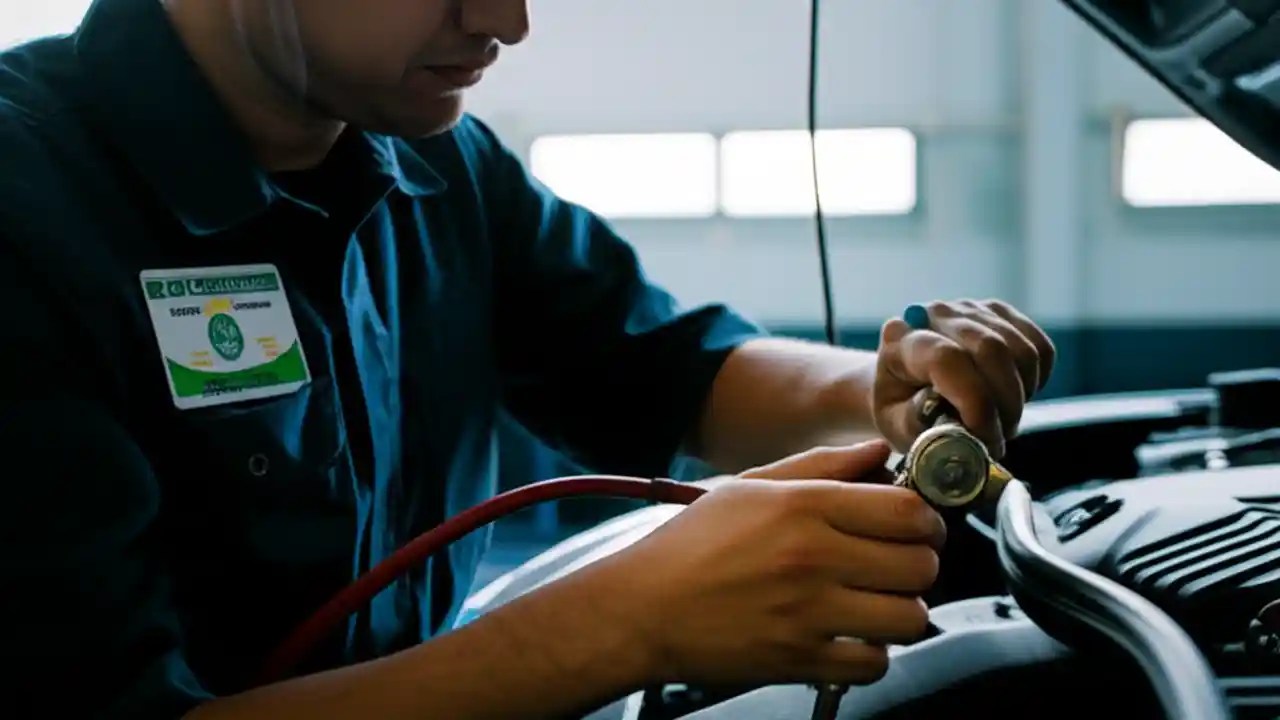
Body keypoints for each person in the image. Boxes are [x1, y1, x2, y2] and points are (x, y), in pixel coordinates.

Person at [0, 0, 1056, 718]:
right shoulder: (25, 210)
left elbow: (666, 364)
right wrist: (625, 624)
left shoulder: (436, 161)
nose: (508, 19)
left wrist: (879, 387)